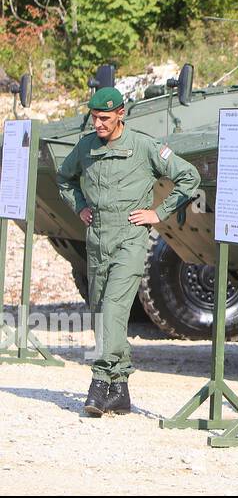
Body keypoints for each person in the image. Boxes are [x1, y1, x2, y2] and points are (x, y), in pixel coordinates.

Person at [57, 86, 200, 416]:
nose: (98, 124)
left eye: (105, 118)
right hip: (97, 240)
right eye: (94, 118)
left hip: (130, 240)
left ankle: (98, 382)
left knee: (114, 309)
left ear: (121, 114)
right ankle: (119, 390)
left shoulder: (144, 146)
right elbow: (65, 179)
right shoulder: (86, 147)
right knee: (100, 313)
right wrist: (79, 207)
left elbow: (188, 177)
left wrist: (158, 214)